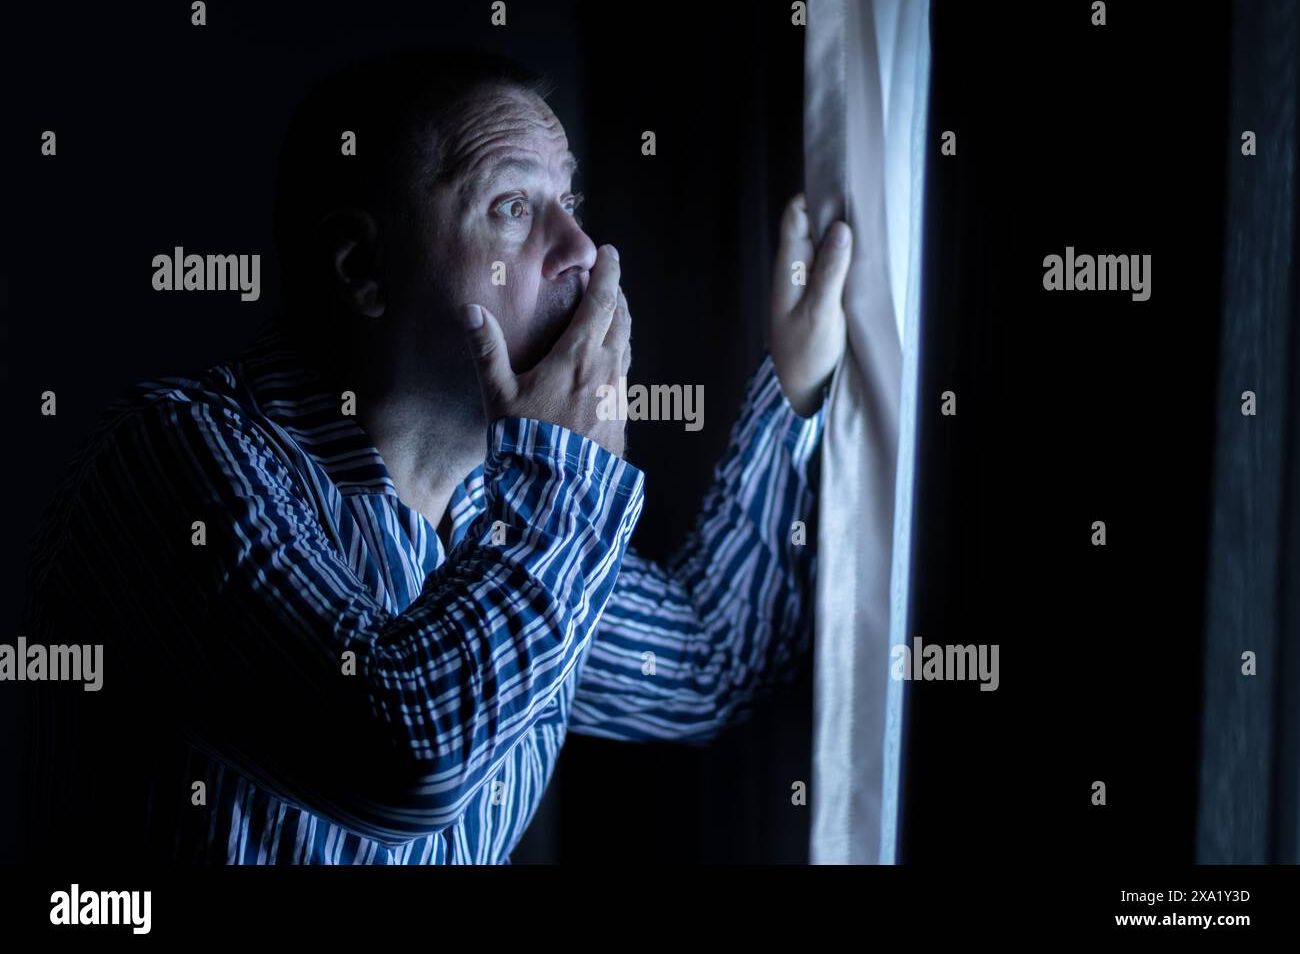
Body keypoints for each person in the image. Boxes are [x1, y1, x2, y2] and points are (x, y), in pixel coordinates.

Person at [21, 48, 852, 864]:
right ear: (364, 267)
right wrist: (564, 474)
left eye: (570, 200)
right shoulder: (173, 459)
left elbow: (708, 662)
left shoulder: (502, 510)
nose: (585, 252)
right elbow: (405, 758)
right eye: (512, 209)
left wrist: (794, 385)